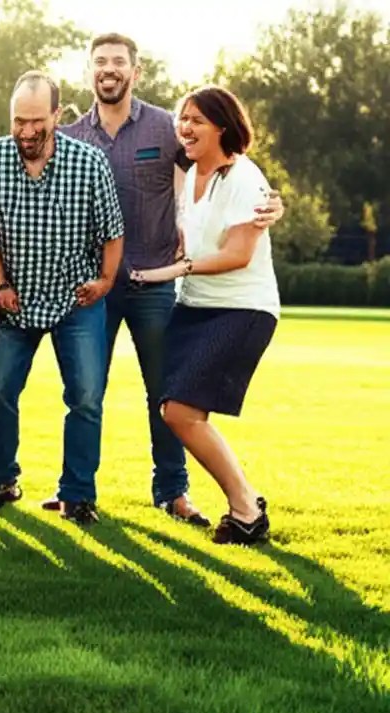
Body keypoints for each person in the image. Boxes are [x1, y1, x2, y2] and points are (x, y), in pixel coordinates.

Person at [61, 33, 284, 525]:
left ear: (135, 72)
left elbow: (229, 168)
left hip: (156, 286)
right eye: (100, 62)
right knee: (84, 391)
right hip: (93, 287)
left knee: (167, 393)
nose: (109, 69)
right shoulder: (72, 137)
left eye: (119, 61)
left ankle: (173, 493)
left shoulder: (168, 128)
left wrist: (272, 202)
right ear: (89, 70)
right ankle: (76, 493)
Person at [0, 72, 125, 525]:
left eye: (37, 121)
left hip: (76, 299)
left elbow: (113, 232)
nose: (27, 131)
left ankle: (77, 494)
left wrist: (106, 281)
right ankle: (0, 480)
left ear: (57, 115)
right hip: (15, 301)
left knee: (86, 398)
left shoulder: (89, 162)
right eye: (19, 121)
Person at [129, 86, 279, 545]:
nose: (185, 128)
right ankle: (246, 504)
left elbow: (238, 253)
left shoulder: (244, 177)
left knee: (180, 411)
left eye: (195, 120)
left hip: (240, 309)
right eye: (182, 119)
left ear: (222, 126)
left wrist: (176, 268)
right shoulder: (191, 173)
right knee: (174, 408)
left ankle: (246, 509)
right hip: (194, 306)